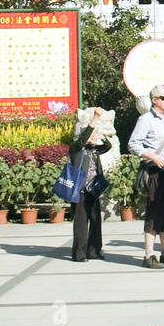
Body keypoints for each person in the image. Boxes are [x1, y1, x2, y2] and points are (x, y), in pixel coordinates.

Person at [128, 84, 164, 269]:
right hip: (155, 172)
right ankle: (149, 255)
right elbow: (133, 144)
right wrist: (152, 155)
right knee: (154, 212)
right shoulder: (145, 119)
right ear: (155, 100)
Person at [69, 106, 111, 261]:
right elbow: (81, 139)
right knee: (81, 222)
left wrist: (102, 137)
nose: (91, 136)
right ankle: (79, 253)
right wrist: (95, 118)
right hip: (79, 190)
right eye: (89, 134)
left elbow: (107, 147)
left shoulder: (93, 150)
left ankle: (94, 250)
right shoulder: (76, 148)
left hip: (93, 189)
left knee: (95, 220)